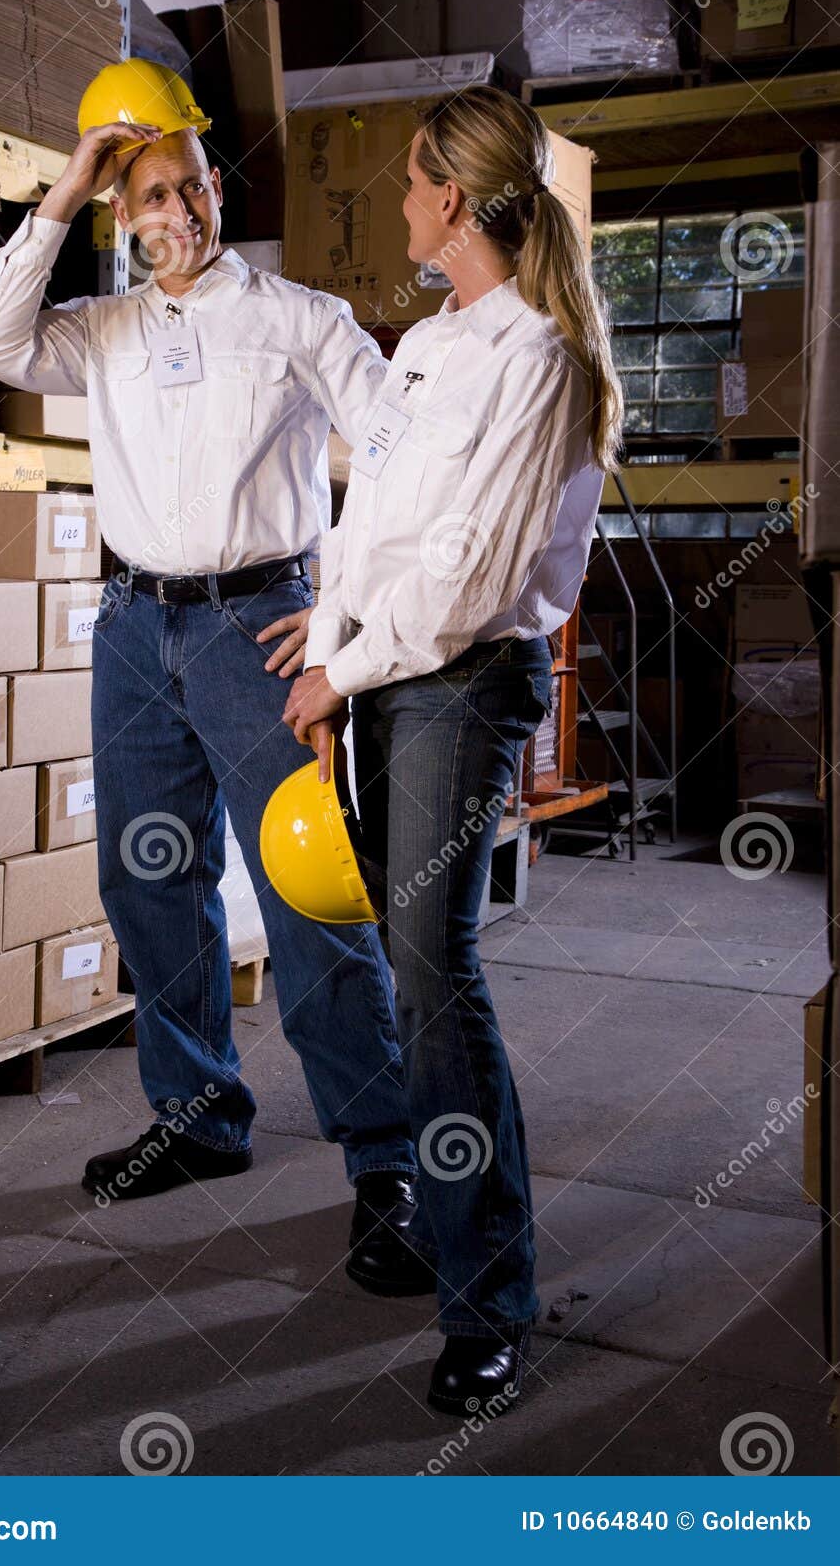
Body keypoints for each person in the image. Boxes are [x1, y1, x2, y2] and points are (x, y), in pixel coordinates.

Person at [0, 62, 422, 1293]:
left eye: (193, 184)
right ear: (123, 210)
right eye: (151, 192)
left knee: (307, 888)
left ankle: (386, 1160)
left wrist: (342, 604)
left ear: (218, 186)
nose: (180, 210)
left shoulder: (298, 318)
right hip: (131, 628)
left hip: (258, 630)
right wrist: (66, 186)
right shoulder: (101, 330)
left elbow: (401, 450)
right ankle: (199, 1114)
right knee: (148, 878)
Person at [284, 84, 622, 1416]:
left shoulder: (537, 361)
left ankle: (488, 1298)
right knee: (396, 958)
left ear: (456, 201)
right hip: (387, 675)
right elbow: (368, 521)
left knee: (435, 982)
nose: (398, 199)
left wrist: (342, 667)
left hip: (456, 685)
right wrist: (329, 638)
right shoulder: (428, 343)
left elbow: (468, 580)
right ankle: (436, 1213)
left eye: (413, 179)